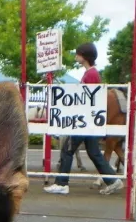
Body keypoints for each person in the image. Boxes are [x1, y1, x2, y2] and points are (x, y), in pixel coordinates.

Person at [44, 42, 123, 196]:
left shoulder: (90, 75)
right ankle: (113, 180)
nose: (76, 56)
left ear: (85, 56)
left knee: (67, 150)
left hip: (83, 121)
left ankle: (61, 183)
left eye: (78, 54)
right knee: (94, 153)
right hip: (88, 121)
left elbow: (87, 99)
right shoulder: (91, 73)